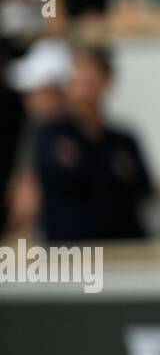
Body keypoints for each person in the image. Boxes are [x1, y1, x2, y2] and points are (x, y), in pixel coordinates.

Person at [33, 45, 153, 242]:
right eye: (77, 82)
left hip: (122, 250)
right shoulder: (52, 137)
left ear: (105, 81)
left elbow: (143, 188)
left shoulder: (123, 139)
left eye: (89, 82)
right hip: (71, 254)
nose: (83, 92)